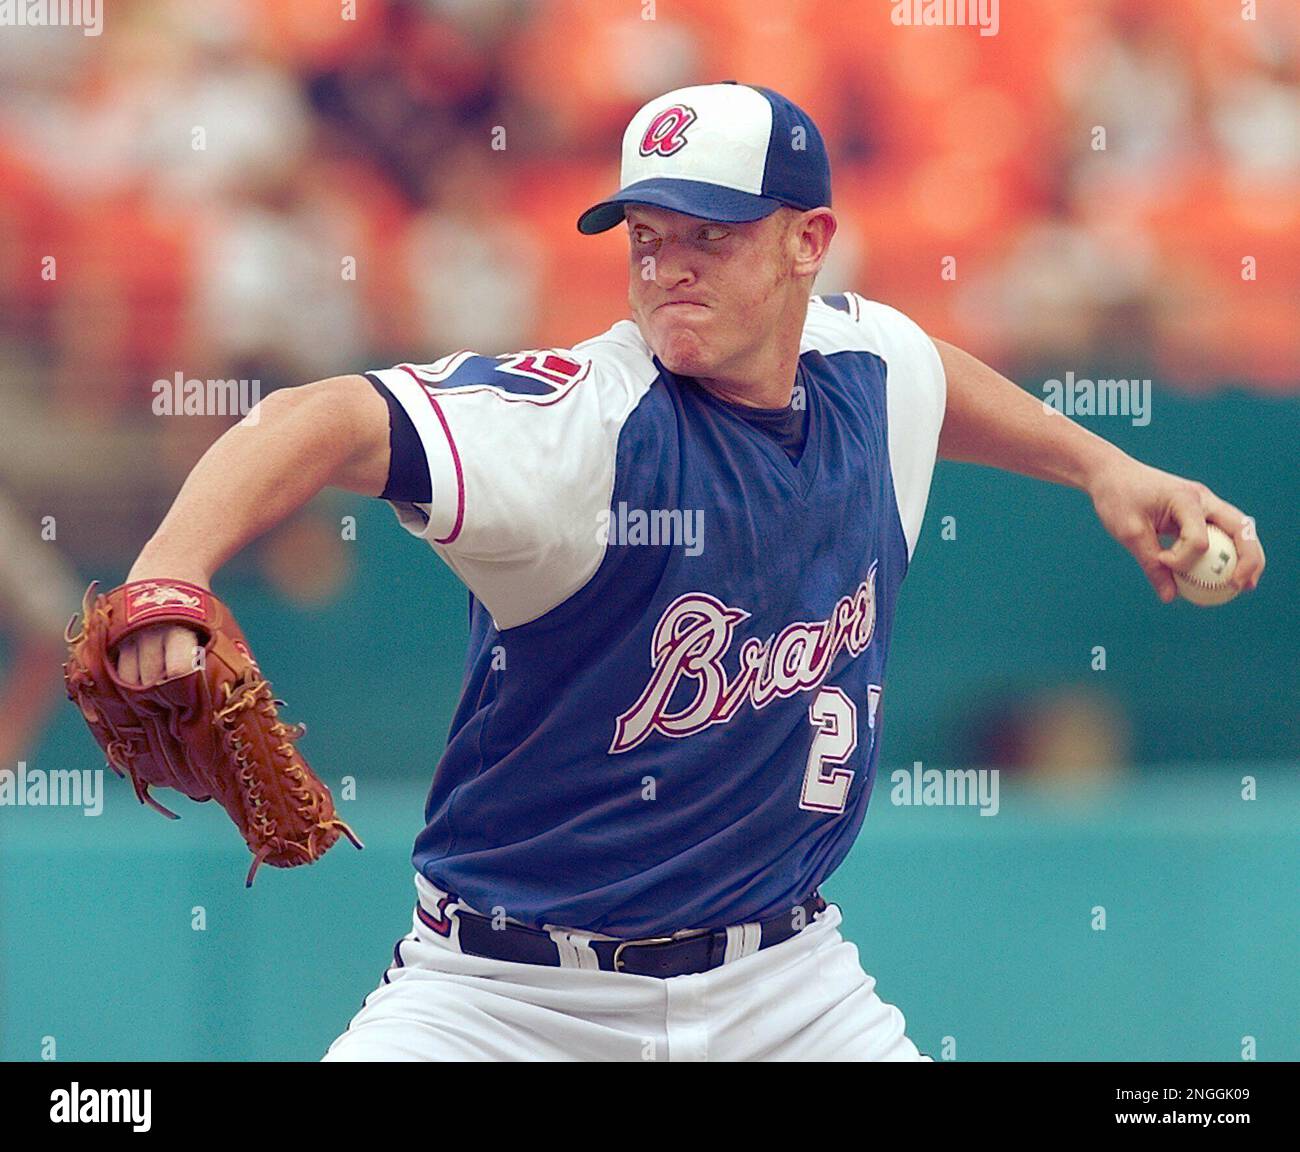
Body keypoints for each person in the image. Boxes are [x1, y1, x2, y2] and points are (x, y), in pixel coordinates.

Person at [111, 83, 1265, 1061]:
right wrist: (171, 572)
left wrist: (1104, 467)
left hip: (785, 991)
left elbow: (927, 368)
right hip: (504, 1001)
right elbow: (323, 419)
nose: (667, 267)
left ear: (806, 242)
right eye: (646, 237)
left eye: (707, 236)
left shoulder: (867, 375)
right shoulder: (577, 430)